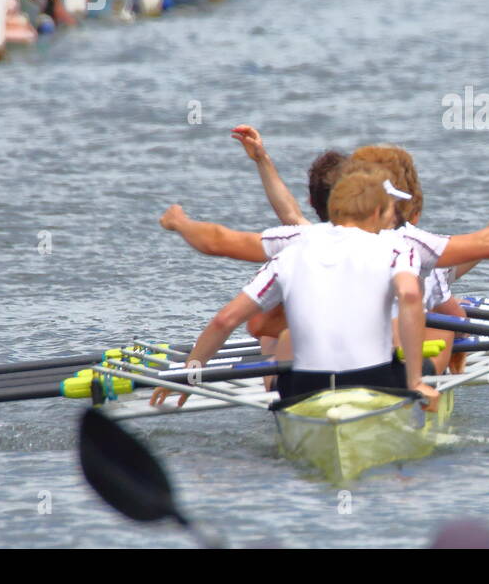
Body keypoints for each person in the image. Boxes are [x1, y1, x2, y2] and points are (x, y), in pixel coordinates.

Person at [161, 131, 489, 373]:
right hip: (386, 367)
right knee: (448, 321)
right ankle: (420, 388)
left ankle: (281, 385)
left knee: (281, 332)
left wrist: (180, 222)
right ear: (386, 209)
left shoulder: (302, 244)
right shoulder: (412, 248)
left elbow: (227, 255)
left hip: (318, 374)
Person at [151, 169, 440, 407]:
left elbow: (225, 319)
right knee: (426, 369)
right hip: (375, 381)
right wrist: (415, 381)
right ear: (378, 212)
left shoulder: (290, 251)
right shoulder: (396, 248)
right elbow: (411, 294)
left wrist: (192, 373)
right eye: (390, 212)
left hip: (304, 387)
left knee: (282, 365)